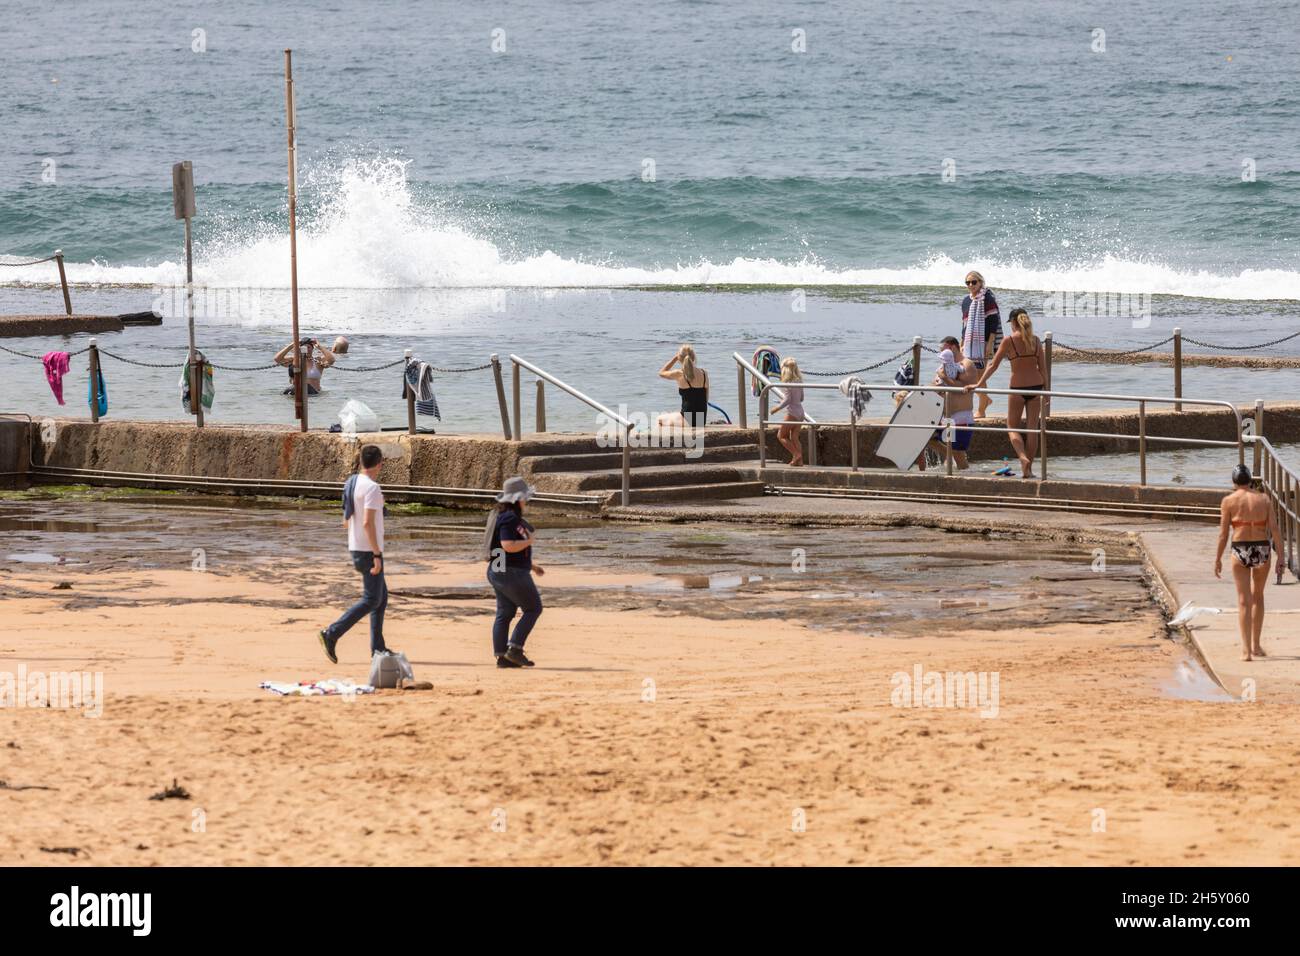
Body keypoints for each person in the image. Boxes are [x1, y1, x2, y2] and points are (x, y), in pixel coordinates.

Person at [319, 444, 392, 663]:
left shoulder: (352, 482)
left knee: (381, 598)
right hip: (368, 551)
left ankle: (378, 648)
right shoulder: (372, 488)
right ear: (379, 464)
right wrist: (377, 555)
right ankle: (331, 633)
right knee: (371, 600)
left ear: (361, 462)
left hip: (356, 546)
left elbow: (346, 520)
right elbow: (368, 523)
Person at [1214, 463, 1284, 661]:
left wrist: (1218, 558)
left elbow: (1223, 534)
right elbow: (1275, 530)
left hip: (1240, 548)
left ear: (1234, 482)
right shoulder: (1263, 499)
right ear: (1251, 481)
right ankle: (1256, 646)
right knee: (1258, 596)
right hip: (1262, 548)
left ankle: (1246, 651)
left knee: (1244, 600)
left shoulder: (1228, 501)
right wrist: (1281, 556)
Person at [966, 308, 1047, 479]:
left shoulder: (1008, 340)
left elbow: (992, 366)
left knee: (1012, 427)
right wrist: (1047, 392)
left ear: (1014, 323)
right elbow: (1044, 369)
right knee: (1033, 429)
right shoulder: (1036, 340)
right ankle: (1029, 470)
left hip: (1017, 387)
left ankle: (1022, 458)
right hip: (1037, 386)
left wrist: (978, 384)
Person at [483, 476, 546, 668]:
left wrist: (531, 566)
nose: (527, 501)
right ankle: (515, 649)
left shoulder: (501, 515)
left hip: (498, 569)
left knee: (505, 612)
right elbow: (508, 545)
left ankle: (502, 657)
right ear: (518, 499)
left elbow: (501, 551)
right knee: (533, 608)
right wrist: (529, 541)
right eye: (525, 497)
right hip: (510, 573)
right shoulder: (510, 518)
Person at [921, 336, 977, 470]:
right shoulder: (943, 366)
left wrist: (944, 377)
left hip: (961, 417)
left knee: (958, 453)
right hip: (945, 417)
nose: (940, 354)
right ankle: (952, 462)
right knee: (929, 438)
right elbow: (937, 385)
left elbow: (963, 388)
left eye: (942, 351)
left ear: (952, 348)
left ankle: (964, 477)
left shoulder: (966, 364)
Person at [960, 271, 1003, 419]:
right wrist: (961, 342)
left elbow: (993, 322)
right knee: (970, 376)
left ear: (981, 282)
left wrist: (990, 345)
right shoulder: (966, 300)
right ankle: (986, 400)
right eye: (968, 283)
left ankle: (982, 409)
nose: (971, 285)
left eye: (974, 282)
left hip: (982, 342)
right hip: (968, 343)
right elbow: (964, 324)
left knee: (979, 377)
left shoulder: (987, 298)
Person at [658, 344, 709, 429]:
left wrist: (674, 358)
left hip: (687, 420)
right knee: (673, 414)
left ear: (680, 358)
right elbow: (706, 399)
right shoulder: (704, 373)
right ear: (694, 357)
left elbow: (661, 372)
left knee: (659, 419)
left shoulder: (679, 374)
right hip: (701, 420)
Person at [770, 356, 807, 467]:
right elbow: (801, 398)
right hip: (801, 412)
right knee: (794, 437)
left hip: (792, 412)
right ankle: (799, 462)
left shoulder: (787, 383)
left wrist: (776, 408)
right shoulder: (799, 381)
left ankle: (796, 455)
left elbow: (787, 400)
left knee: (781, 436)